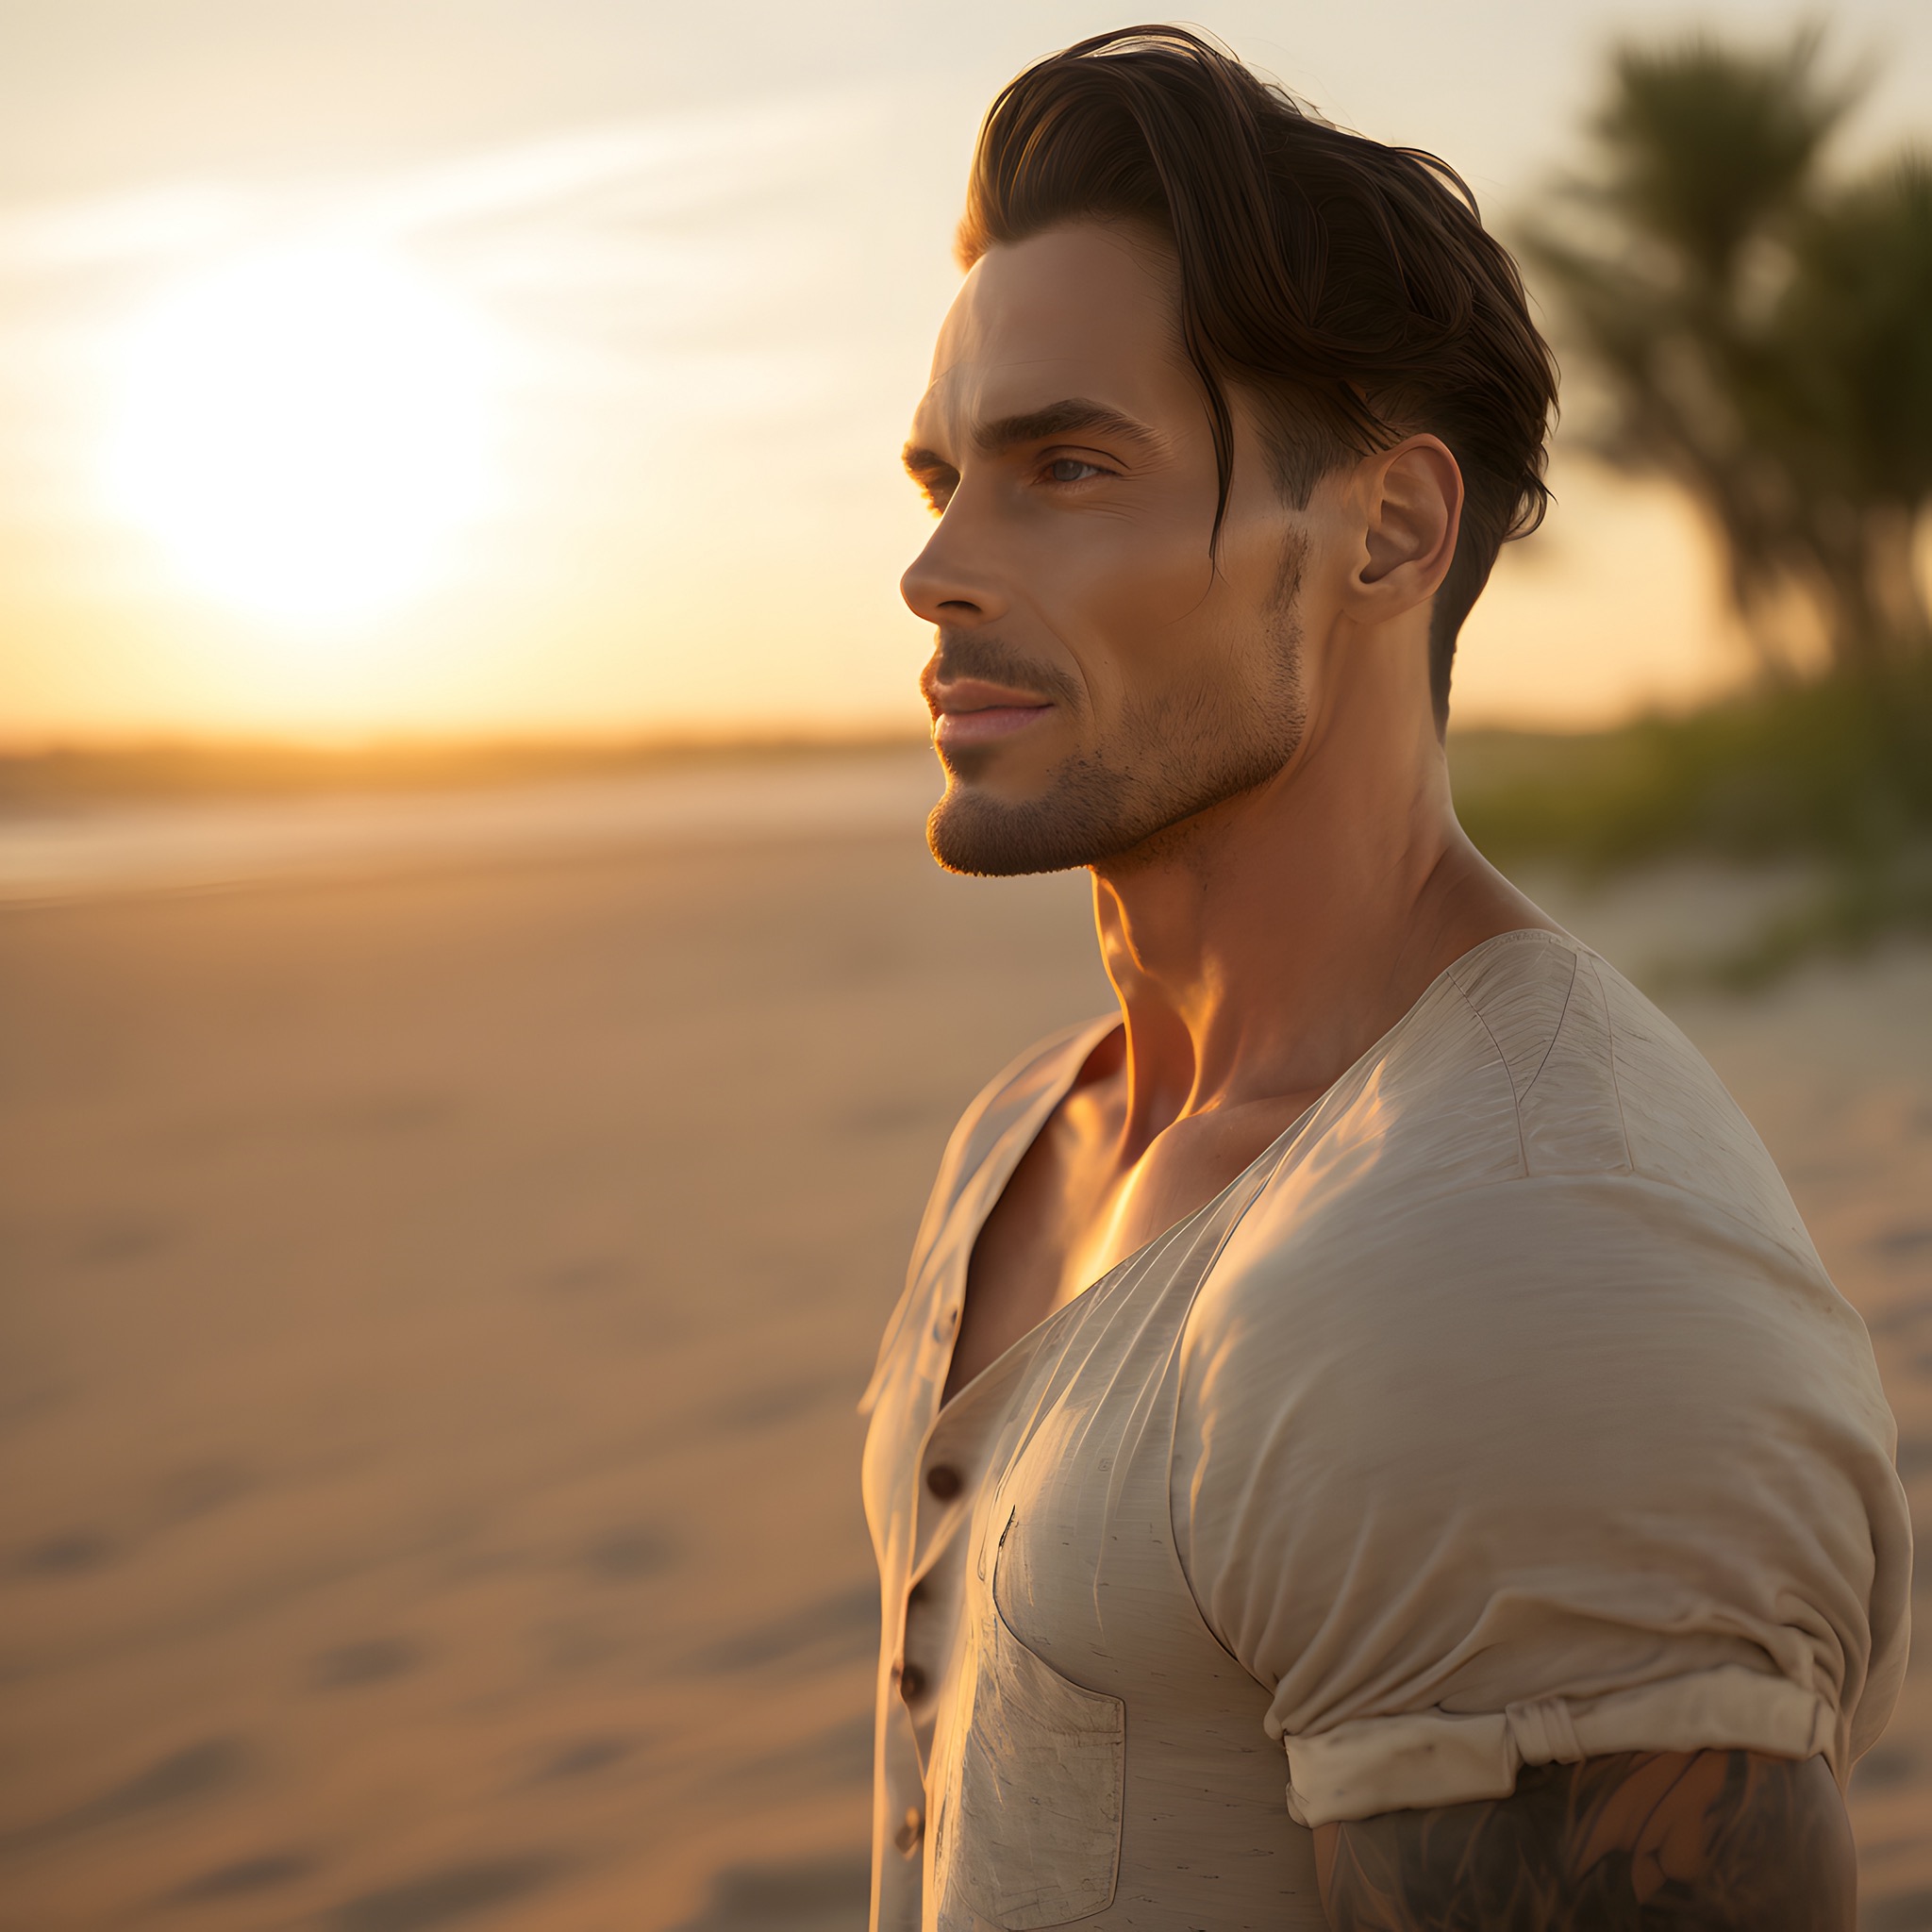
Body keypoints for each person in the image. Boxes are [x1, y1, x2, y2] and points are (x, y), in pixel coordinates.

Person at [858, 26, 1910, 1931]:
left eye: (1066, 466)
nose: (937, 563)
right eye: (944, 476)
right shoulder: (1039, 1129)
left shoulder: (1524, 1267)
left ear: (1390, 531)